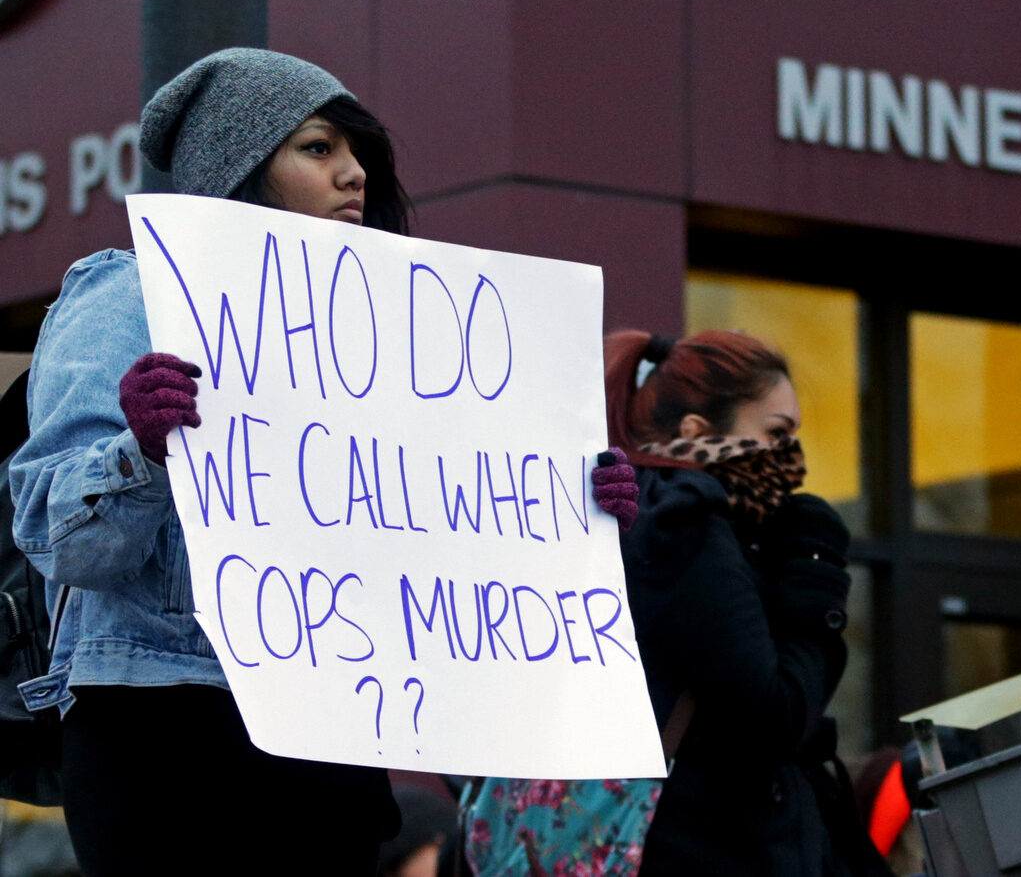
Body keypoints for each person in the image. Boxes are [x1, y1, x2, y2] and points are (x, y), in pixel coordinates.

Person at [8, 48, 636, 876]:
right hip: (166, 732)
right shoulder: (130, 294)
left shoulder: (394, 336)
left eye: (358, 154)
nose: (354, 175)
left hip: (333, 729)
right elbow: (63, 544)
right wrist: (145, 452)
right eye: (317, 148)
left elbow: (441, 547)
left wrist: (572, 513)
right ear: (236, 165)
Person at [603, 329, 890, 877]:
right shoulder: (684, 531)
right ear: (696, 431)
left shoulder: (635, 516)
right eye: (777, 433)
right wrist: (814, 567)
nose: (794, 459)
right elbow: (774, 718)